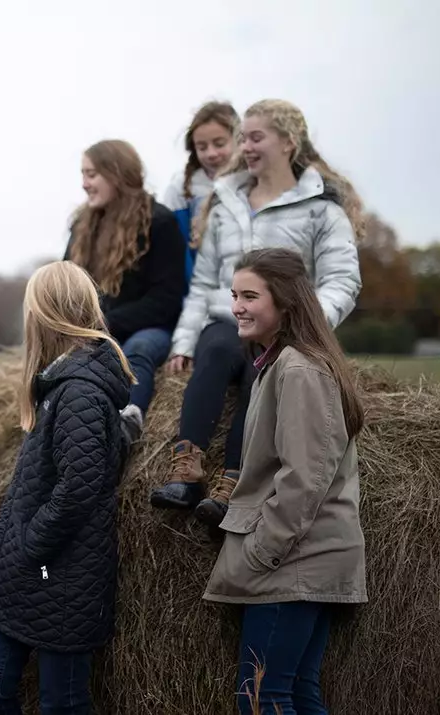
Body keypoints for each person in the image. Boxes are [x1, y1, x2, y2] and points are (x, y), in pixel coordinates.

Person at [150, 99, 363, 525]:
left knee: (263, 373)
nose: (244, 147)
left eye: (255, 137)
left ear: (287, 142)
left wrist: (304, 322)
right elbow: (204, 283)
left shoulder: (322, 207)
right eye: (243, 137)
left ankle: (233, 482)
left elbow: (343, 279)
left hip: (289, 329)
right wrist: (183, 342)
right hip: (229, 319)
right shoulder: (225, 201)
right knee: (213, 351)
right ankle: (185, 472)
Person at [202, 247, 367, 715]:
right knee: (293, 692)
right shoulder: (282, 364)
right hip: (306, 559)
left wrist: (263, 550)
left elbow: (305, 476)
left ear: (286, 303)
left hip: (294, 562)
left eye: (250, 296)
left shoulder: (298, 369)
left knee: (260, 698)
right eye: (234, 294)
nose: (237, 306)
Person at [0, 260, 133, 715]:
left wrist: (30, 545)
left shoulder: (79, 389)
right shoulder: (62, 381)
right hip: (36, 573)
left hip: (60, 573)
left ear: (45, 313)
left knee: (62, 703)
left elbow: (78, 486)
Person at [63, 139, 186, 448]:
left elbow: (168, 299)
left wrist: (105, 324)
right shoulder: (82, 225)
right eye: (83, 174)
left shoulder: (159, 222)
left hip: (148, 328)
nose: (84, 184)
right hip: (94, 330)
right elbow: (65, 283)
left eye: (91, 175)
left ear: (116, 174)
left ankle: (126, 424)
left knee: (138, 349)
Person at [160, 100, 241, 286]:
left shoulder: (257, 181)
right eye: (202, 147)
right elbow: (177, 251)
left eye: (219, 144)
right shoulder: (182, 188)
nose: (211, 153)